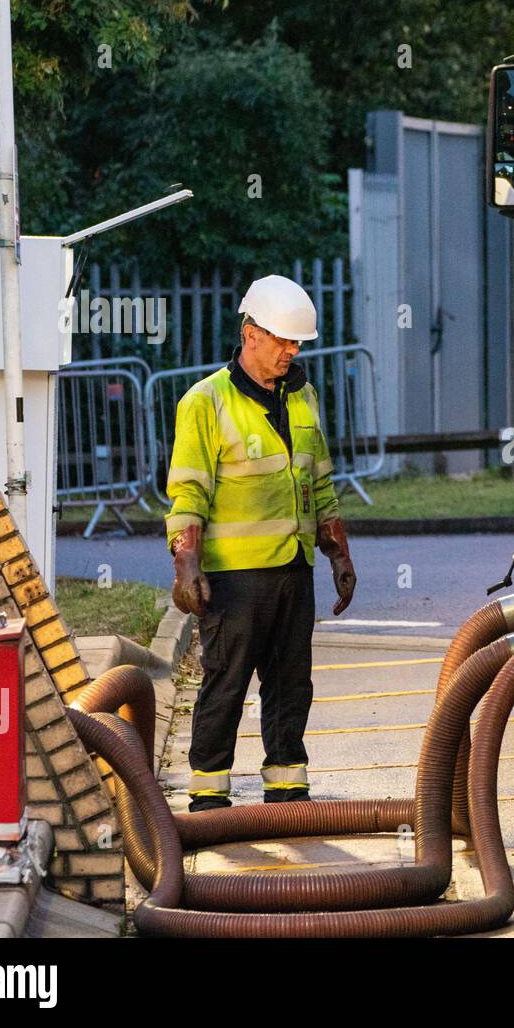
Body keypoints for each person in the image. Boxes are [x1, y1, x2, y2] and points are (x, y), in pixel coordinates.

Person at [165, 274, 356, 811]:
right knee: (226, 686)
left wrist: (338, 553)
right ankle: (208, 798)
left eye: (298, 343)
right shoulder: (205, 403)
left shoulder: (303, 395)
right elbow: (187, 494)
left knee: (292, 684)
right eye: (282, 341)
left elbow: (319, 479)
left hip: (293, 569)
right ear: (251, 334)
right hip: (234, 579)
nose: (291, 353)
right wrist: (187, 565)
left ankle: (288, 787)